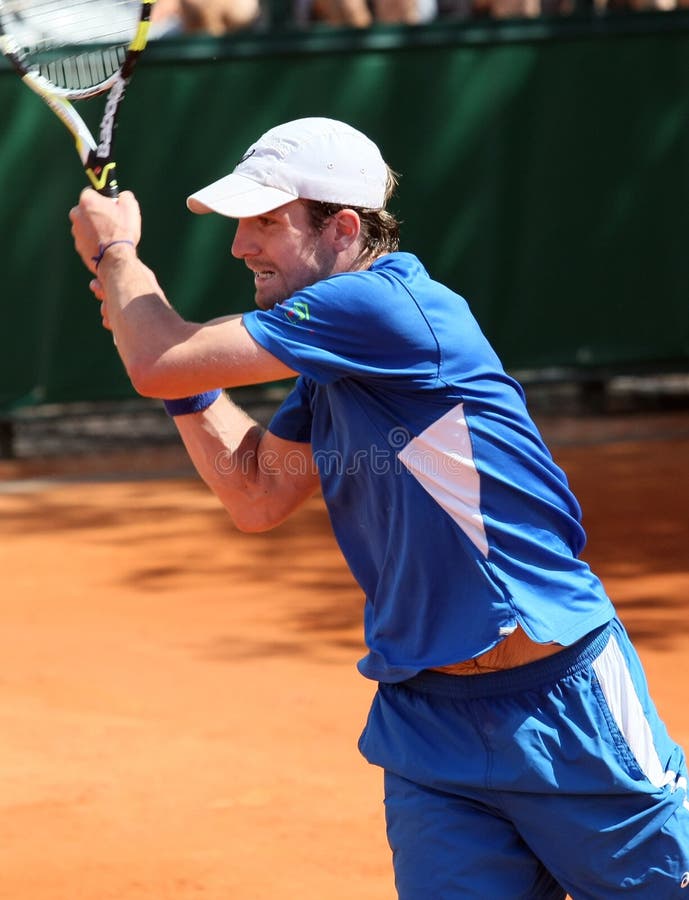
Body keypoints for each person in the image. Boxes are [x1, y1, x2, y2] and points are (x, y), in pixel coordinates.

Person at [69, 117, 689, 898]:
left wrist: (118, 257)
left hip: (561, 702)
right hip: (427, 725)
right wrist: (183, 381)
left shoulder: (385, 306)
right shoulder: (335, 363)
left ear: (344, 228)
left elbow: (159, 356)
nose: (239, 247)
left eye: (265, 222)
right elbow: (257, 491)